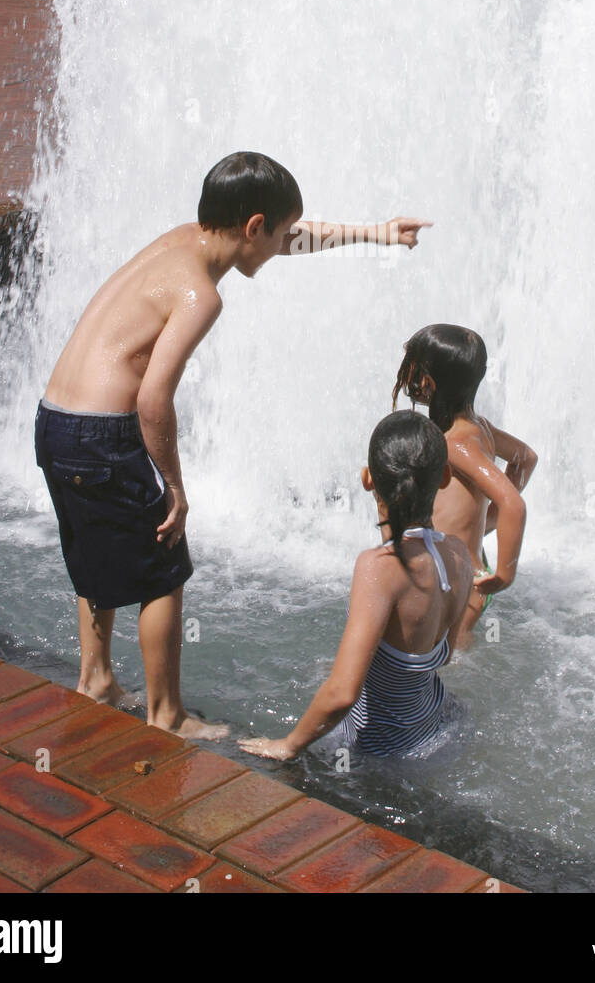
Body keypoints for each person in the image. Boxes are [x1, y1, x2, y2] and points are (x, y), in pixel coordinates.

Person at [35, 151, 431, 741]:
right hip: (101, 433)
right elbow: (153, 401)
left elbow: (293, 235)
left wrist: (375, 233)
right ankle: (166, 715)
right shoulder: (201, 294)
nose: (283, 247)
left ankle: (95, 680)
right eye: (278, 235)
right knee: (163, 567)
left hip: (55, 423)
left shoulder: (182, 241)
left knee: (96, 550)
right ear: (253, 227)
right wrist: (175, 487)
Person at [239, 411, 473, 761]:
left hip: (380, 751)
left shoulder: (378, 568)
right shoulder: (459, 556)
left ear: (367, 479)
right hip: (440, 727)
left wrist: (286, 745)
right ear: (445, 477)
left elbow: (343, 694)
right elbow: (442, 655)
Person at [392, 324, 537, 648]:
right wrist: (487, 521)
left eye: (410, 365)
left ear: (428, 381)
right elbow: (525, 458)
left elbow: (514, 503)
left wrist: (504, 574)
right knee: (441, 658)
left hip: (458, 586)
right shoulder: (478, 427)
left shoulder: (456, 444)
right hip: (461, 573)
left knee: (446, 663)